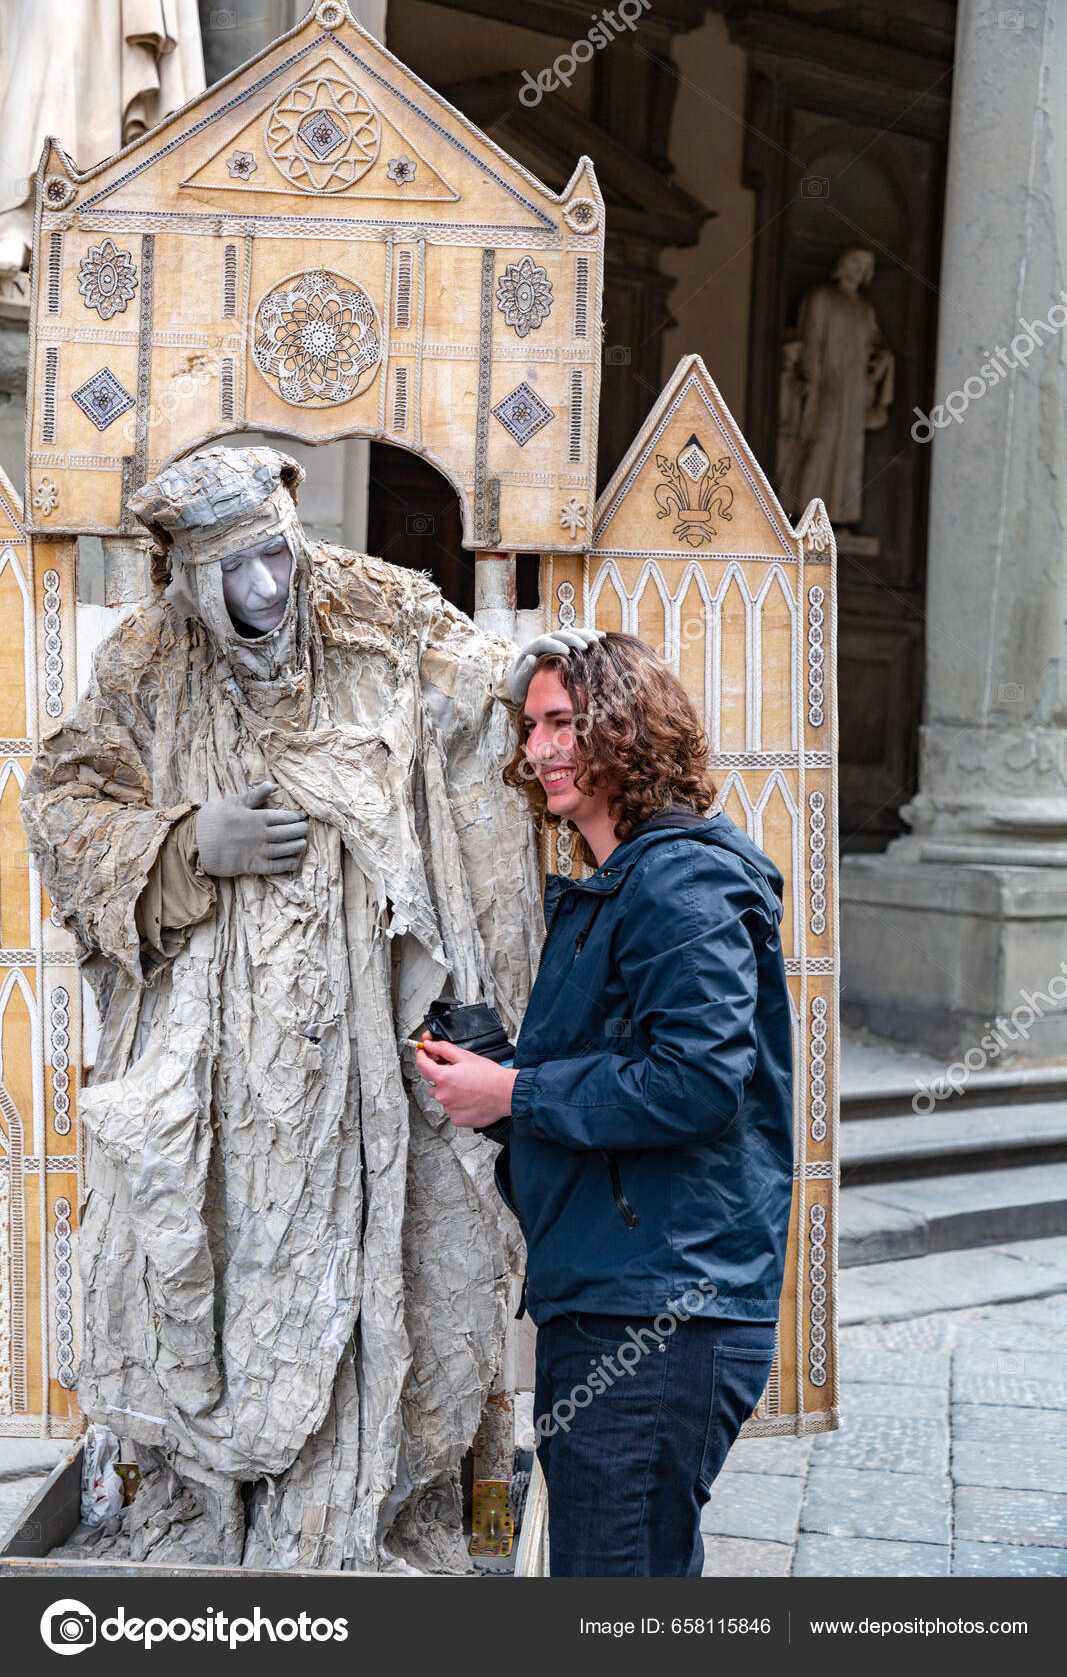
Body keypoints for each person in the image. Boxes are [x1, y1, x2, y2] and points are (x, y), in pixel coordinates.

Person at [20, 443, 590, 1572]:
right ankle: (211, 1501)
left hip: (372, 1036)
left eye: (276, 557)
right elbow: (66, 799)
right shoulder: (146, 662)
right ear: (186, 579)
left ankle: (356, 1508)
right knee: (216, 1264)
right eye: (234, 572)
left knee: (390, 1265)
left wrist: (527, 674)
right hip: (219, 1049)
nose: (267, 591)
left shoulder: (369, 603)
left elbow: (477, 673)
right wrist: (184, 842)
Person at [415, 632, 794, 1577]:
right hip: (617, 1289)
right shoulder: (620, 885)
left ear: (625, 731)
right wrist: (494, 1080)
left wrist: (516, 1088)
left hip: (662, 1308)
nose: (539, 750)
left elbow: (699, 1085)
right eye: (531, 727)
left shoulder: (682, 881)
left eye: (564, 724)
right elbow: (620, 1086)